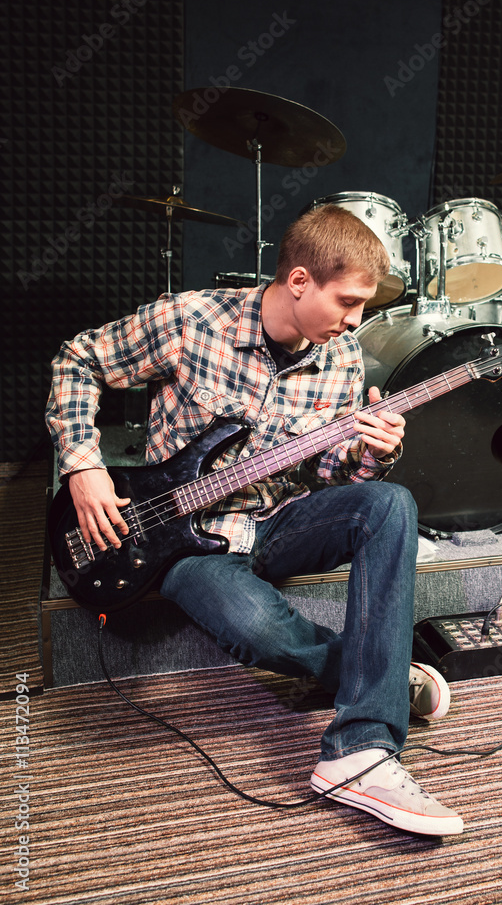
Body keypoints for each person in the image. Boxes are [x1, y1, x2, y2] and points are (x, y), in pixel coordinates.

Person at [46, 204, 464, 837]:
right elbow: (77, 360)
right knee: (257, 632)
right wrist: (83, 468)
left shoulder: (343, 358)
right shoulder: (192, 320)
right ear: (299, 281)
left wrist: (367, 455)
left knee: (389, 503)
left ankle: (362, 748)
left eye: (365, 308)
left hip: (279, 519)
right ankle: (380, 673)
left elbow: (325, 475)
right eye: (348, 302)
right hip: (180, 540)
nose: (357, 322)